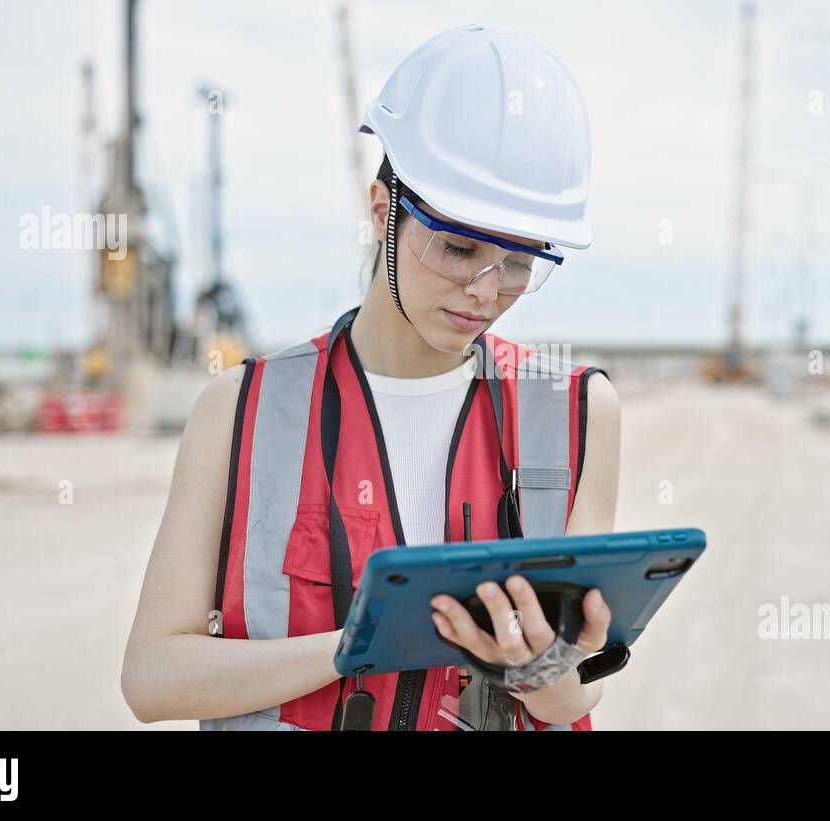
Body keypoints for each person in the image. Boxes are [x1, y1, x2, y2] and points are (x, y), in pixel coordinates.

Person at [121, 23, 620, 731]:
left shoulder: (577, 410)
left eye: (518, 262)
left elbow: (576, 696)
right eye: (457, 247)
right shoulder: (241, 410)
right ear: (383, 212)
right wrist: (356, 646)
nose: (486, 289)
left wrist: (540, 670)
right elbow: (151, 678)